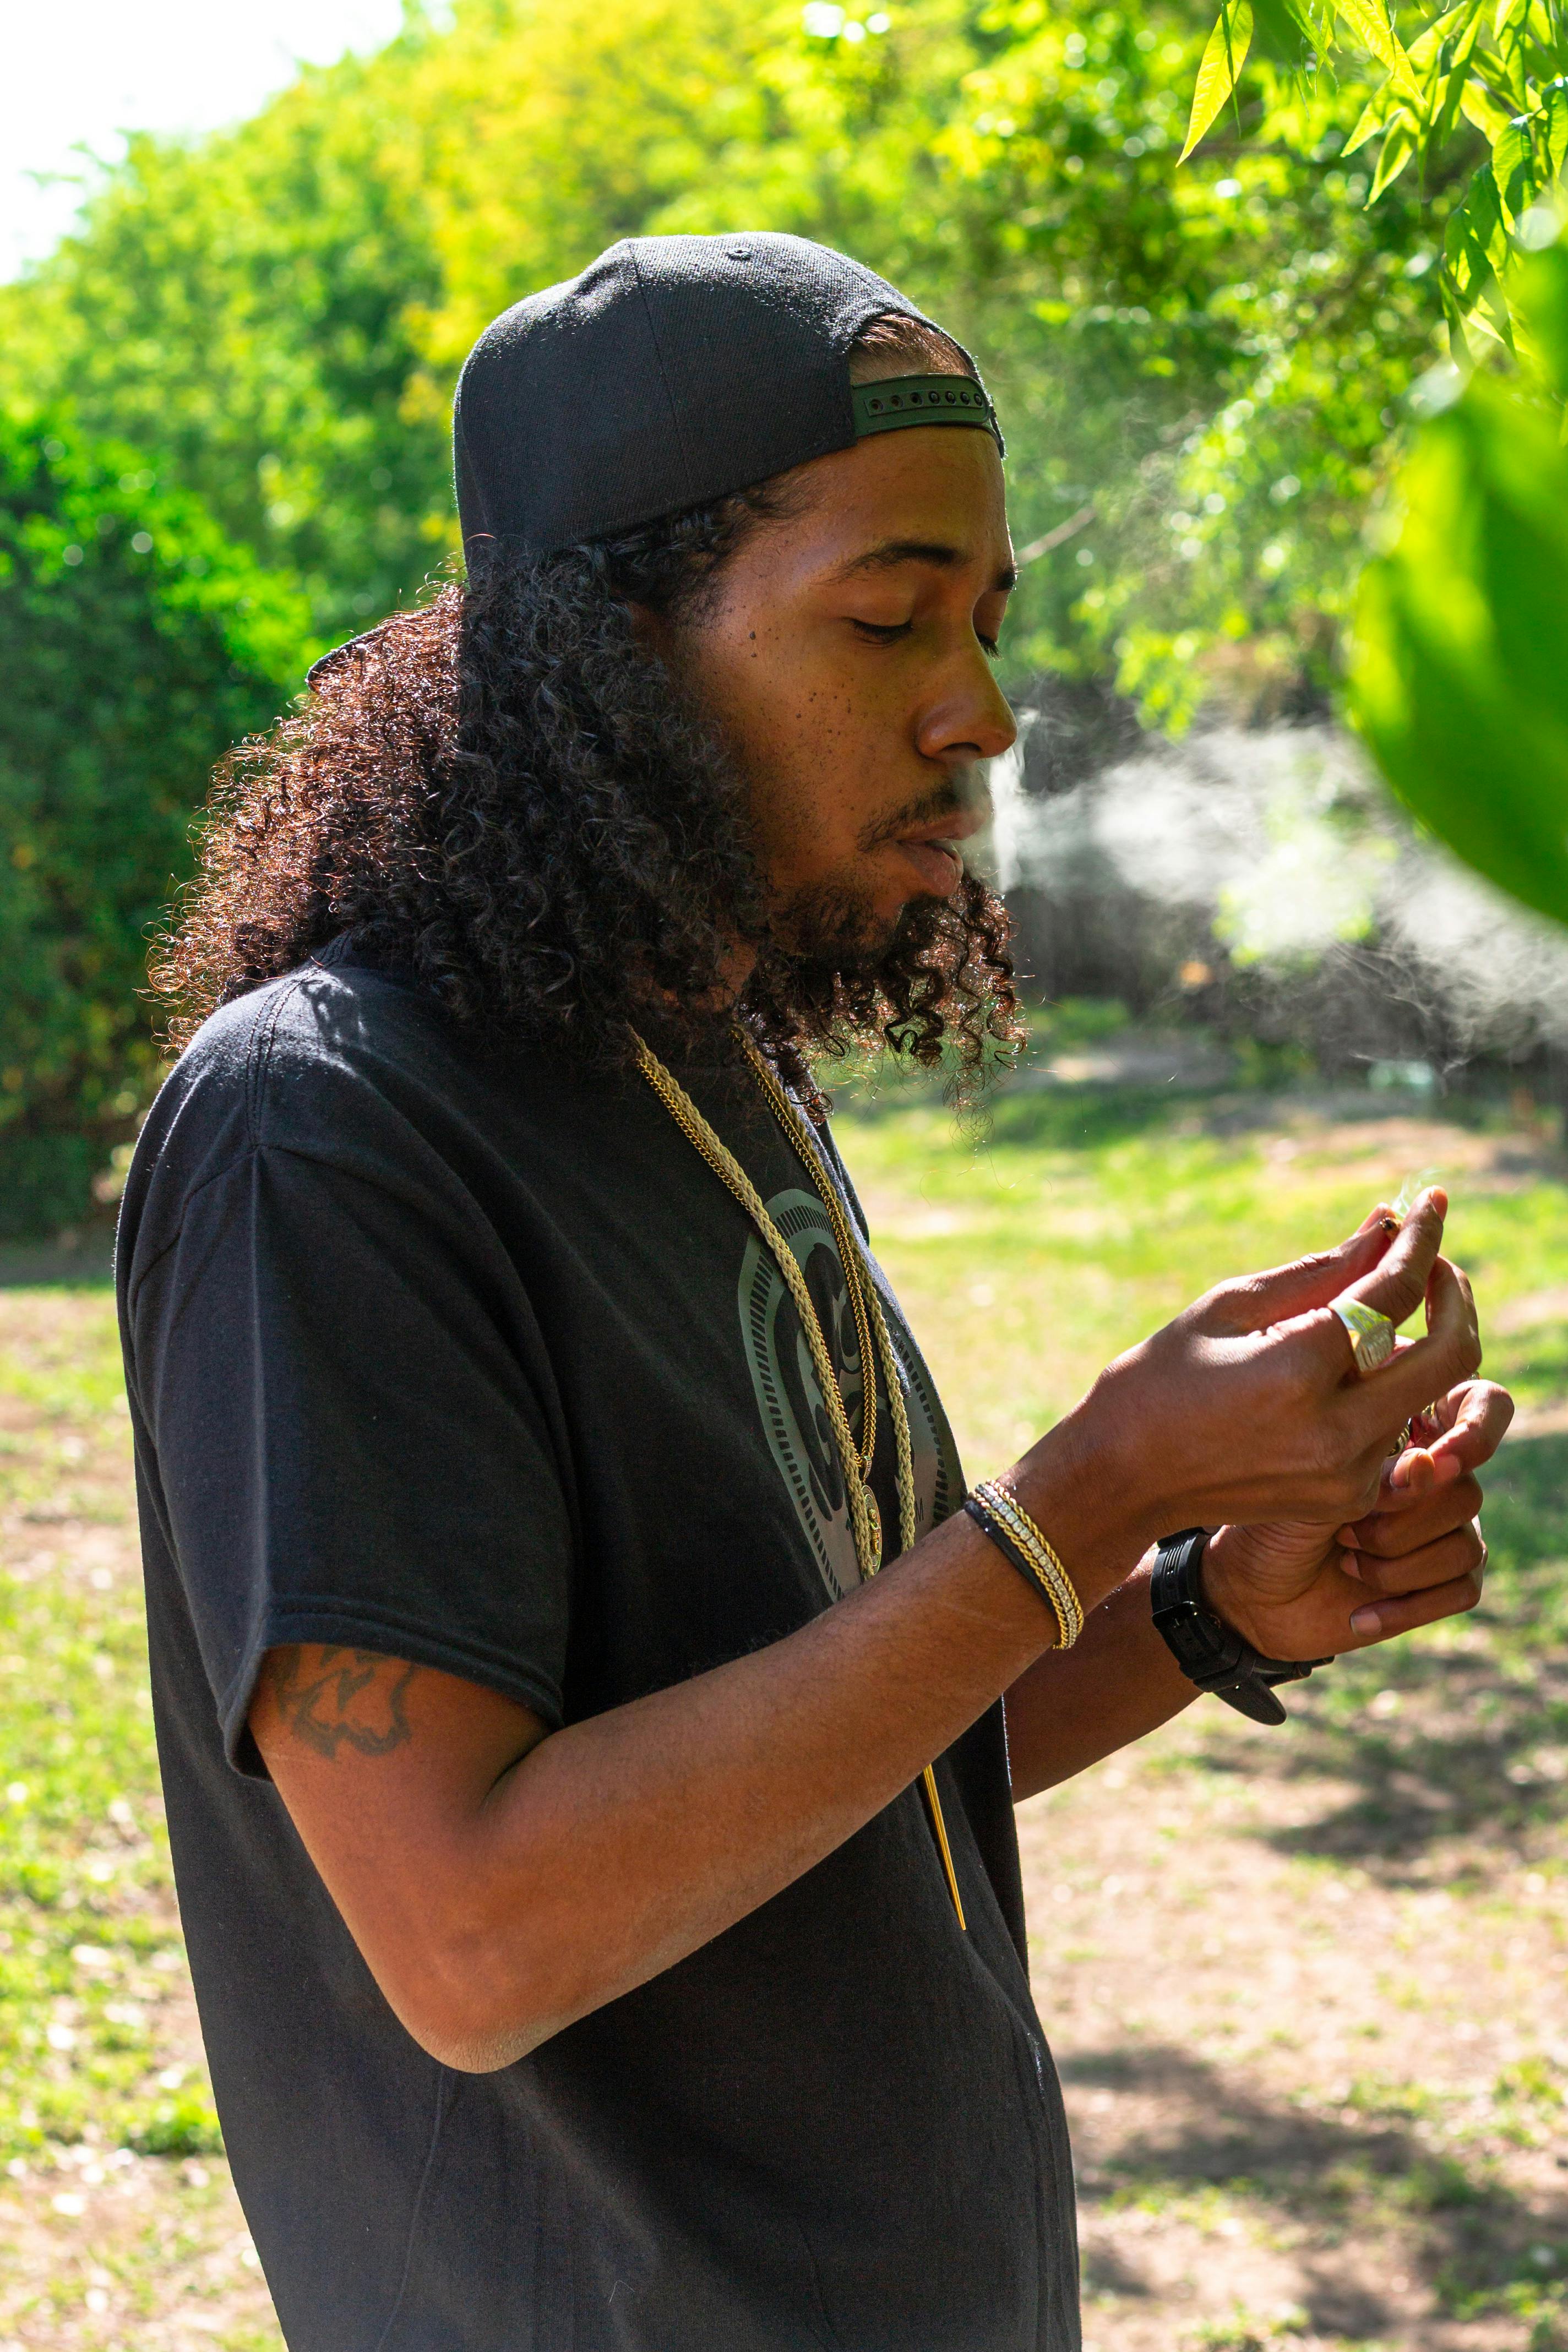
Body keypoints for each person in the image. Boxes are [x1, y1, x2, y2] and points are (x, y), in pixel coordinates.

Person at [117, 233, 1509, 2352]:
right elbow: (476, 1934)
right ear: (605, 656)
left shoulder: (713, 1065)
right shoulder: (327, 1129)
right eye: (889, 617)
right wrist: (1086, 1495)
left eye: (987, 620)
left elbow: (839, 1766)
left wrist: (1204, 1606)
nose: (985, 713)